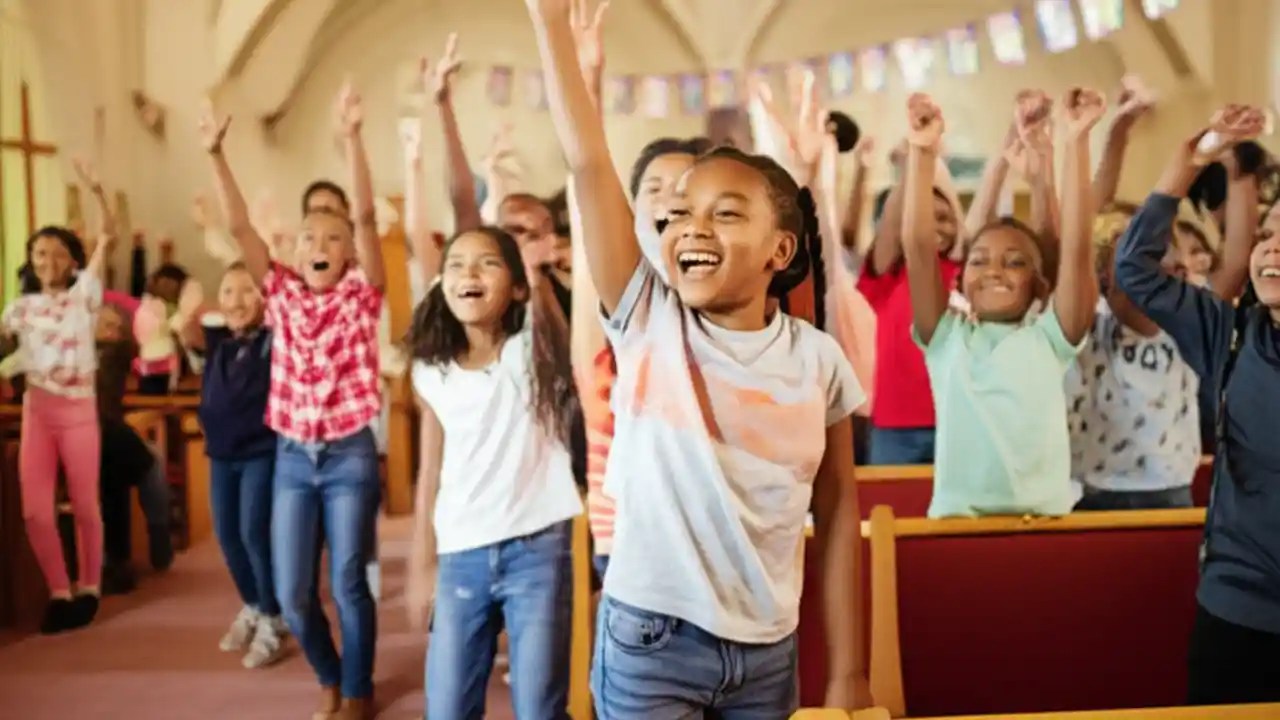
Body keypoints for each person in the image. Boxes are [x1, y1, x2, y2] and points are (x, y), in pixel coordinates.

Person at [529, 0, 867, 715]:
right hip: (652, 641)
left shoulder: (818, 361)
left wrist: (849, 672)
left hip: (769, 650)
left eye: (726, 212)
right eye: (680, 211)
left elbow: (838, 515)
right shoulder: (648, 319)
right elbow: (588, 160)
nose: (690, 226)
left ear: (780, 251)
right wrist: (548, 23)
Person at [201, 82, 385, 720]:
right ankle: (327, 674)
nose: (318, 247)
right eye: (307, 239)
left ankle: (356, 690)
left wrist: (353, 137)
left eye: (331, 240)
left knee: (347, 583)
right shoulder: (279, 295)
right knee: (292, 591)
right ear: (294, 252)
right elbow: (238, 226)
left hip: (348, 457)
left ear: (350, 254)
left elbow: (364, 216)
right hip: (290, 459)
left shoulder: (363, 295)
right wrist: (216, 156)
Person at [1112, 105, 1280, 704]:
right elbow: (1134, 269)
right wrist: (1193, 157)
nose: (1270, 250)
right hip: (1236, 611)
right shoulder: (1229, 332)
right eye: (1267, 233)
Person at [405, 225, 582, 718]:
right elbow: (430, 470)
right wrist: (423, 562)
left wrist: (540, 277)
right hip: (461, 552)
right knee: (447, 708)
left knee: (538, 707)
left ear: (518, 287)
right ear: (442, 285)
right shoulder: (431, 372)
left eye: (487, 262)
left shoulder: (532, 352)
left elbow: (559, 341)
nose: (469, 272)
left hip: (538, 549)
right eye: (456, 264)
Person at [900, 90, 1100, 518]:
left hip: (1042, 527)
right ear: (961, 280)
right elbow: (917, 248)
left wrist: (1076, 141)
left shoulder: (1052, 339)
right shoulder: (947, 337)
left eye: (1014, 263)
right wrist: (922, 153)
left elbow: (1077, 250)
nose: (994, 270)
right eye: (979, 260)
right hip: (956, 524)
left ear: (1039, 286)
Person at [2, 219, 112, 634]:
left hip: (78, 410)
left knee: (85, 504)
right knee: (35, 510)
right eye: (41, 253)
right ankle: (59, 591)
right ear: (31, 260)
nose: (49, 261)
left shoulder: (83, 295)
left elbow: (105, 243)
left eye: (59, 253)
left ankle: (89, 587)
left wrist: (101, 206)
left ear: (73, 261)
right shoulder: (19, 308)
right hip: (39, 410)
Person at [182, 261, 287, 670]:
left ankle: (273, 617)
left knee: (253, 533)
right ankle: (254, 605)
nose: (237, 301)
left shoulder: (273, 339)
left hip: (260, 451)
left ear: (264, 299)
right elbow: (187, 333)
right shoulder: (219, 340)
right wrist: (186, 313)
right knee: (227, 536)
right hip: (221, 454)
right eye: (228, 291)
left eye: (247, 291)